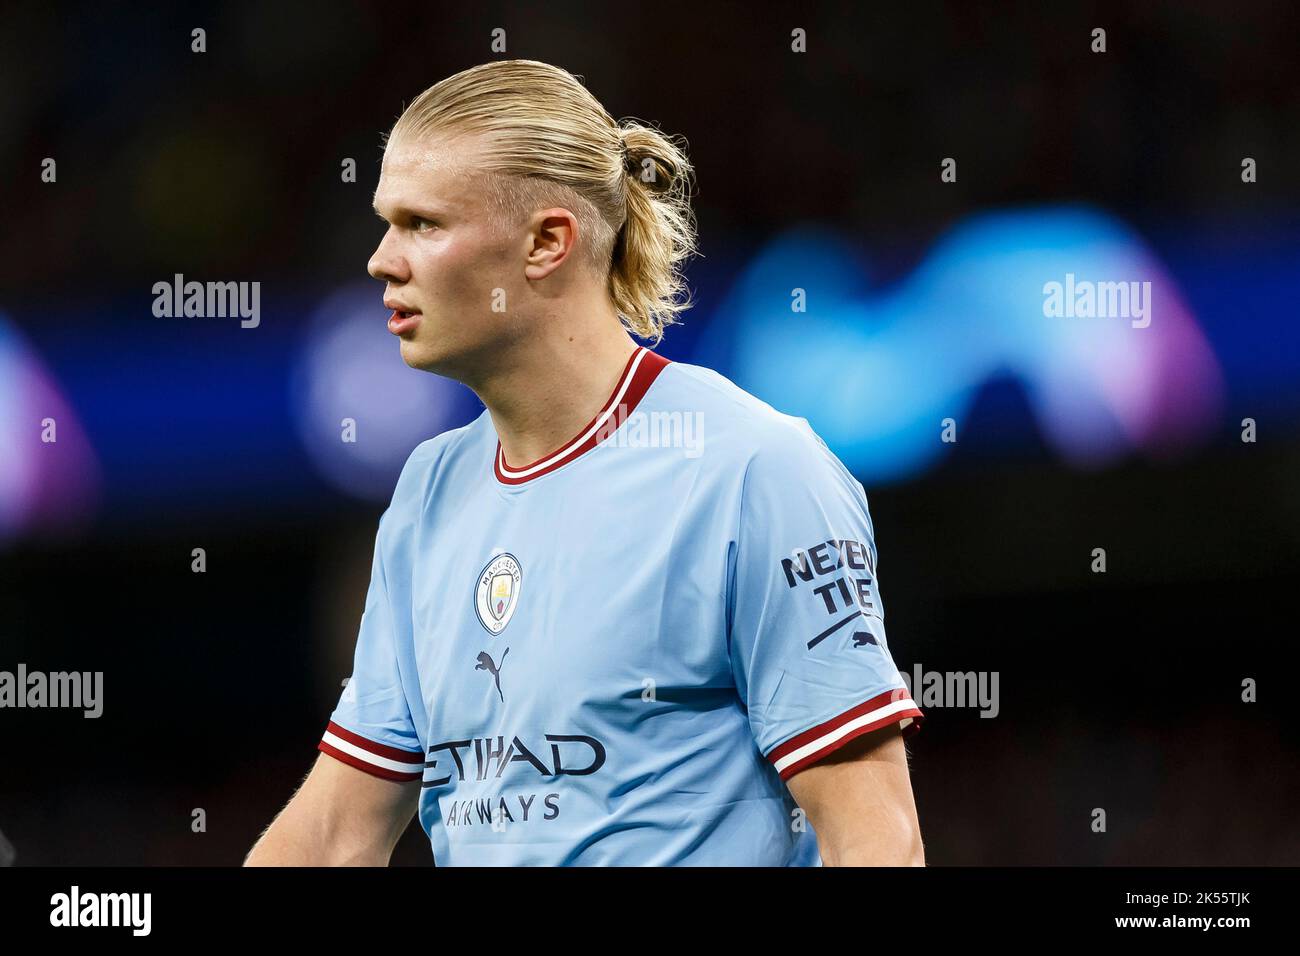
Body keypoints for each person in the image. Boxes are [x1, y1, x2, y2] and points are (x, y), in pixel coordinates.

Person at [245, 59, 924, 867]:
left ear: (546, 243)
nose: (382, 260)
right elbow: (333, 835)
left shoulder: (754, 470)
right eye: (387, 222)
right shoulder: (428, 493)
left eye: (422, 224)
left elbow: (876, 836)